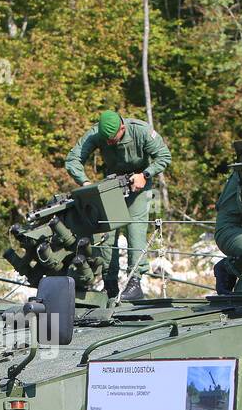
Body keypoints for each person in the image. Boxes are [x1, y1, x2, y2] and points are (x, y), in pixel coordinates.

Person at [65, 109, 171, 300]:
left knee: (135, 230)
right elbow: (73, 160)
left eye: (112, 139)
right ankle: (110, 283)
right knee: (107, 233)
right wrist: (86, 183)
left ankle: (135, 281)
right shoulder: (97, 133)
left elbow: (164, 156)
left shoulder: (141, 131)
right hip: (113, 185)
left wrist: (144, 175)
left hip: (139, 183)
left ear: (122, 128)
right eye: (105, 140)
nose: (108, 143)